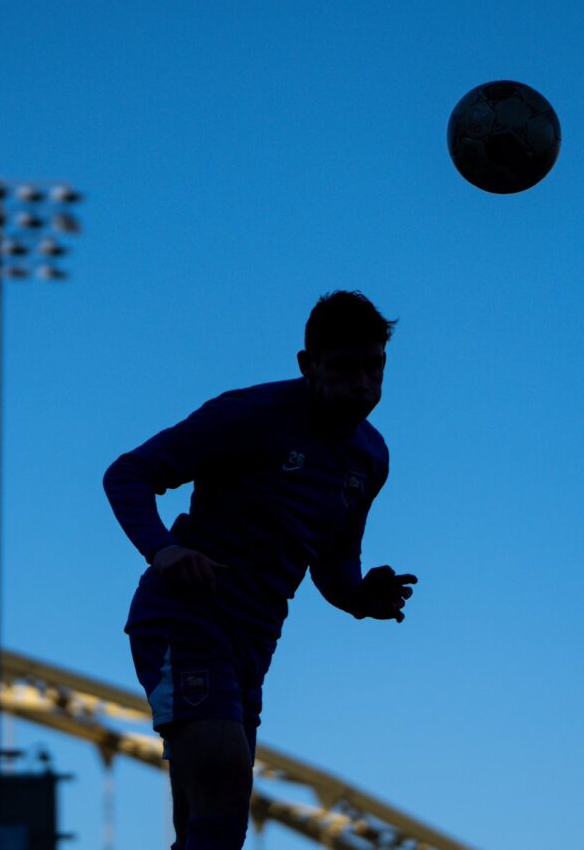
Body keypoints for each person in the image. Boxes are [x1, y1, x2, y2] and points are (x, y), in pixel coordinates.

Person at [103, 290, 418, 850]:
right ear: (308, 365)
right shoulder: (250, 414)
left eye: (375, 367)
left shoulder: (371, 458)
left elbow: (334, 567)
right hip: (186, 620)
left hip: (253, 648)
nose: (363, 383)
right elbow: (129, 473)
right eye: (345, 368)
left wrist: (362, 597)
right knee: (225, 791)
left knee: (211, 828)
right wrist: (165, 551)